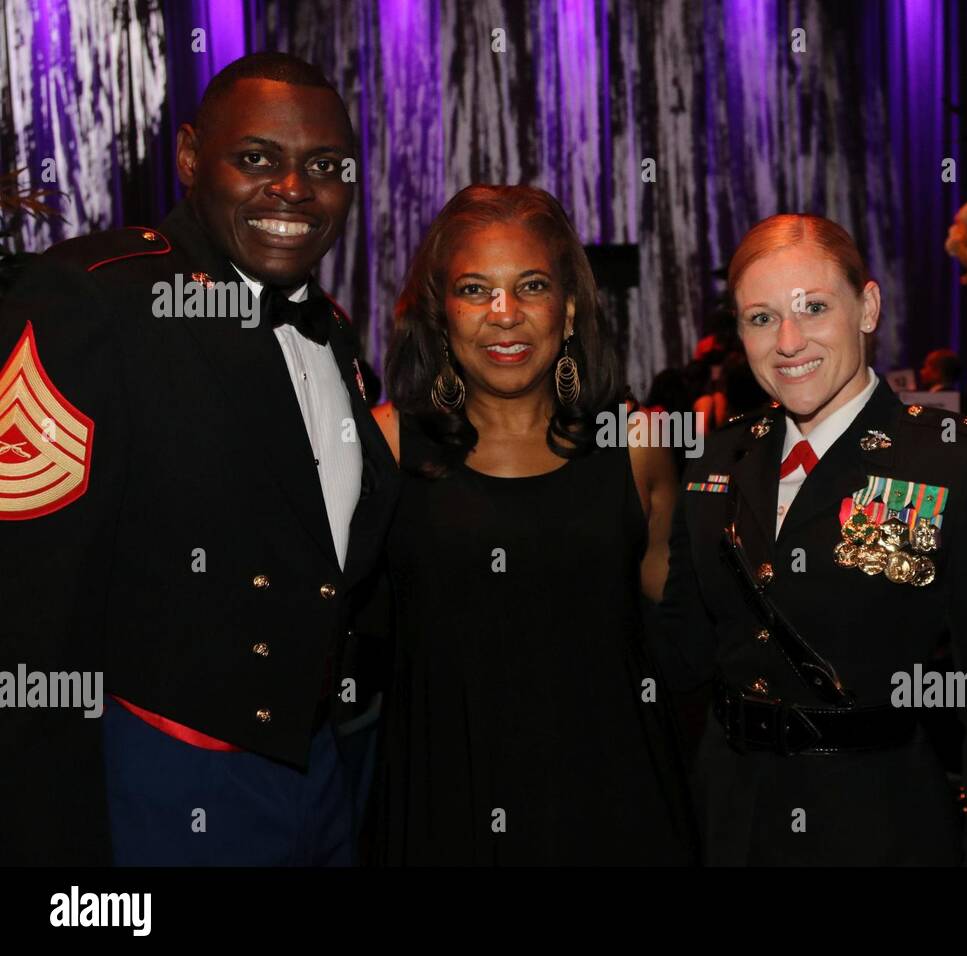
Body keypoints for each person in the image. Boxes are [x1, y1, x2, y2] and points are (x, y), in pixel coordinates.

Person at [0, 52, 399, 865]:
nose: (293, 188)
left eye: (324, 165)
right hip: (159, 773)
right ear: (188, 157)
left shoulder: (333, 330)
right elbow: (27, 605)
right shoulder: (95, 299)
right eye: (257, 158)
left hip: (322, 770)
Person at [653, 214, 967, 865]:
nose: (789, 341)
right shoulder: (718, 459)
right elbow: (681, 653)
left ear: (869, 307)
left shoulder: (951, 463)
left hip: (877, 819)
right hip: (730, 815)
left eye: (815, 308)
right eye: (762, 318)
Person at [367, 184, 695, 865]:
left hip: (616, 808)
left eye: (532, 286)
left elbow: (685, 642)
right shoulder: (390, 446)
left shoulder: (635, 447)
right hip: (442, 805)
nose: (504, 315)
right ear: (441, 314)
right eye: (474, 290)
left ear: (570, 310)